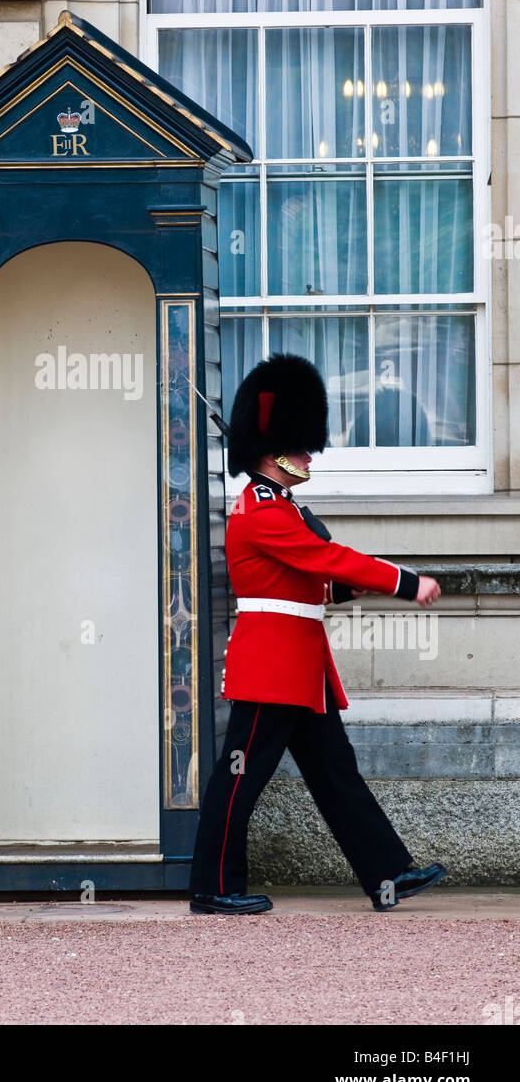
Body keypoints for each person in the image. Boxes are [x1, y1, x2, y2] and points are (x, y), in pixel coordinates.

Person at [189, 352, 446, 916]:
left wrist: (359, 590)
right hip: (271, 666)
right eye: (302, 446)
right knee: (239, 778)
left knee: (336, 775)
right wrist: (404, 582)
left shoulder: (281, 506)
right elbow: (326, 556)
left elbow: (314, 585)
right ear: (273, 451)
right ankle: (213, 886)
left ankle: (387, 875)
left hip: (302, 667)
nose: (310, 455)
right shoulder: (260, 512)